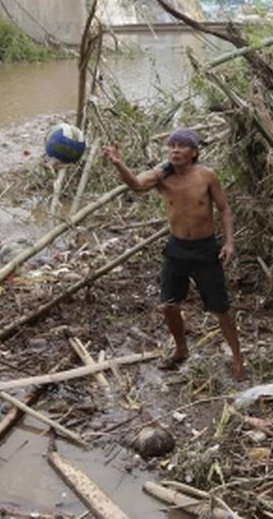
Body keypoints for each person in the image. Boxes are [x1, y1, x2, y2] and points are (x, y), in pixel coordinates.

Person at [103, 128, 247, 380]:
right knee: (169, 305)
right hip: (177, 248)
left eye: (181, 146)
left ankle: (237, 358)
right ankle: (181, 349)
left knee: (220, 307)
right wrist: (119, 164)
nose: (175, 150)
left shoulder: (207, 176)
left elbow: (224, 209)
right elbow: (136, 185)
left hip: (205, 249)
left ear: (194, 152)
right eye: (172, 146)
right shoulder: (162, 176)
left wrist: (229, 243)